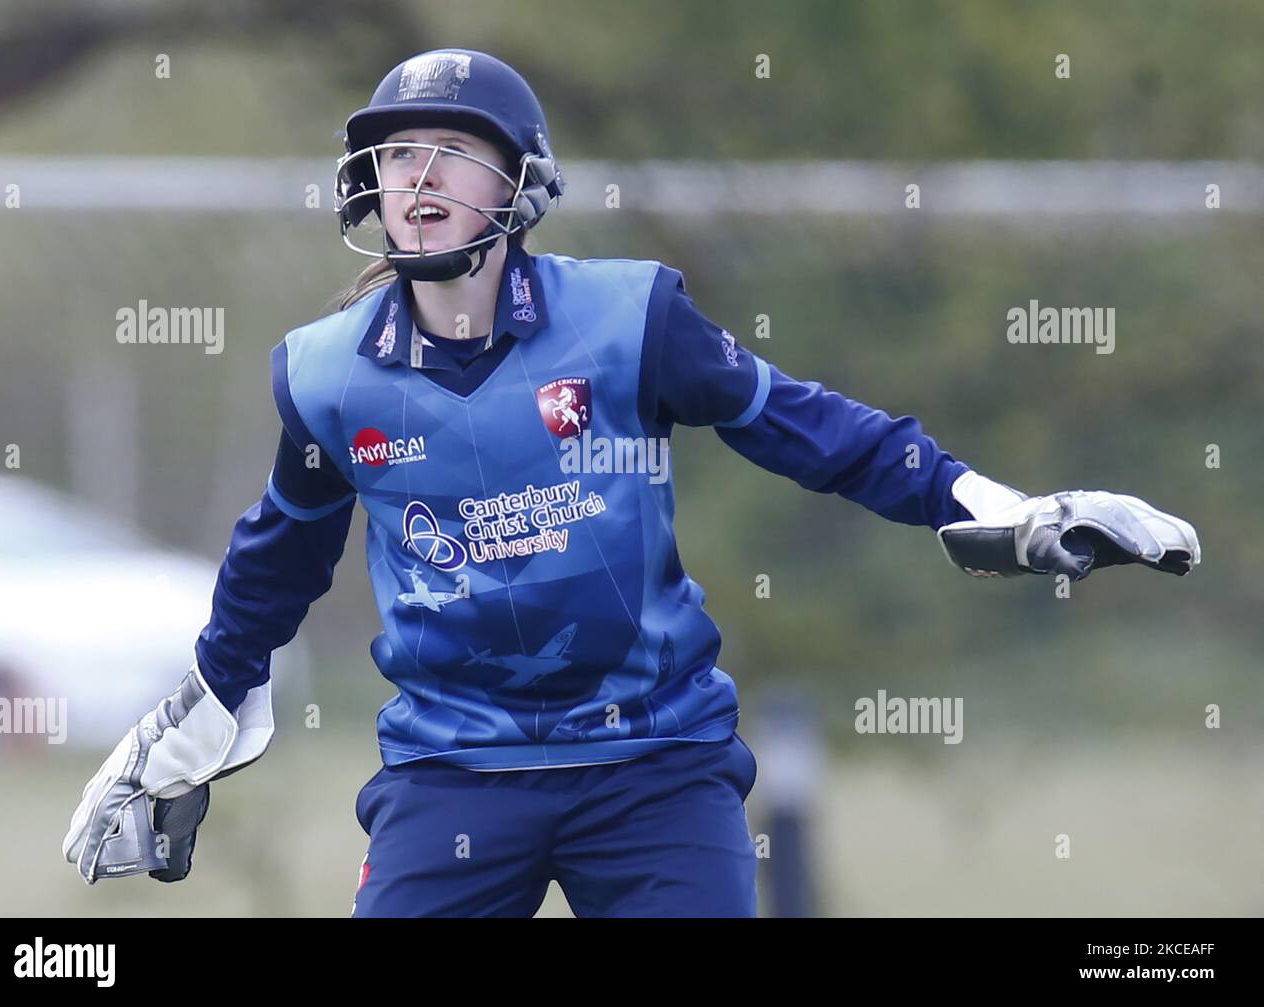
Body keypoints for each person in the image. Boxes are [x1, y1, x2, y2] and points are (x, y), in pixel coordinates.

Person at [61, 48, 1201, 917]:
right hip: (455, 771)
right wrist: (201, 710)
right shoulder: (327, 376)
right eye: (398, 153)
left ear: (517, 180)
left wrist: (995, 504)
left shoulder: (627, 322)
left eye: (451, 151)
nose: (419, 175)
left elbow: (810, 430)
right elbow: (279, 557)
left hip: (656, 761)